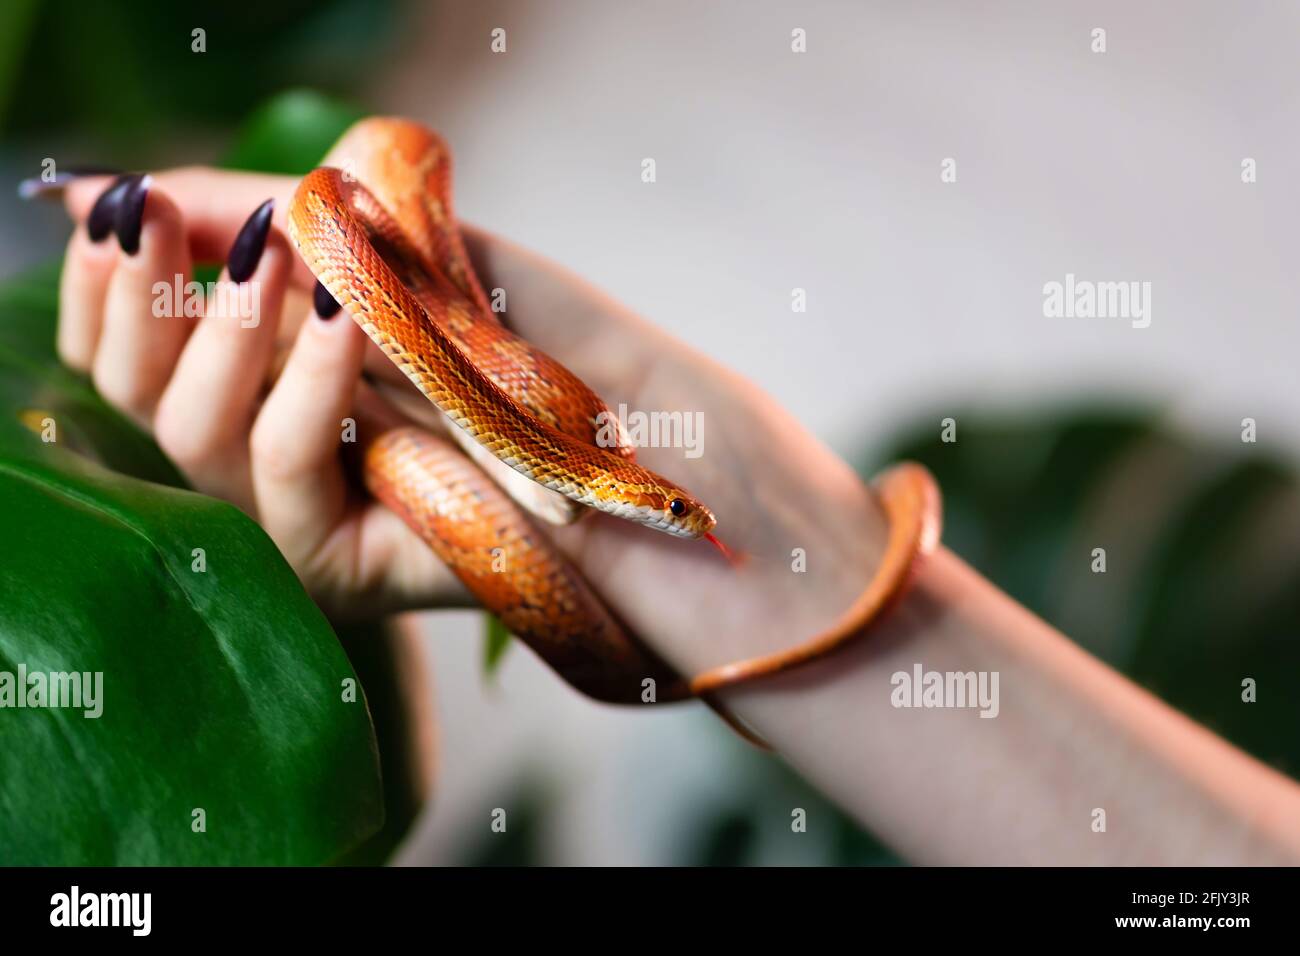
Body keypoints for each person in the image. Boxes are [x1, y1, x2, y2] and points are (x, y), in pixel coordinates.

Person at [53, 167, 1300, 865]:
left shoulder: (557, 422)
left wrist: (759, 546)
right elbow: (346, 212)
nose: (669, 505)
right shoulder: (550, 418)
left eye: (658, 498)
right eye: (655, 494)